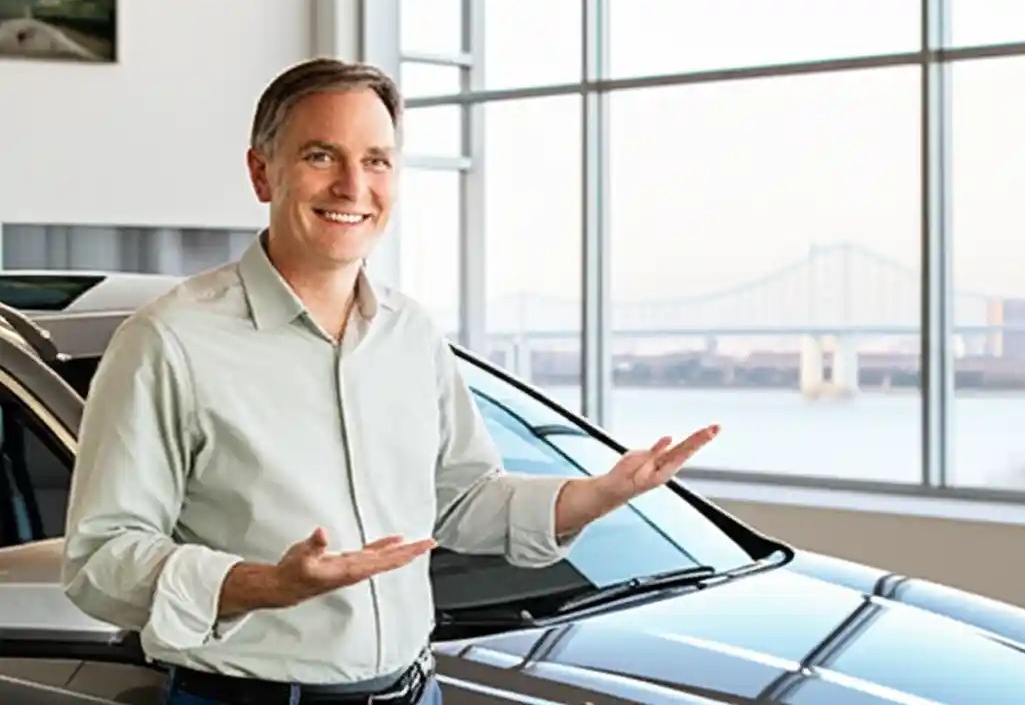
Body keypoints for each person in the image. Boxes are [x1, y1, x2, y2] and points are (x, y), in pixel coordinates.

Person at [60, 57, 720, 705]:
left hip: (415, 690)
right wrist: (260, 585)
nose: (353, 186)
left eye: (376, 160)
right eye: (321, 156)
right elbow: (100, 560)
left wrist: (594, 496)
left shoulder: (412, 335)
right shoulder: (169, 341)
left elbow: (462, 501)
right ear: (262, 173)